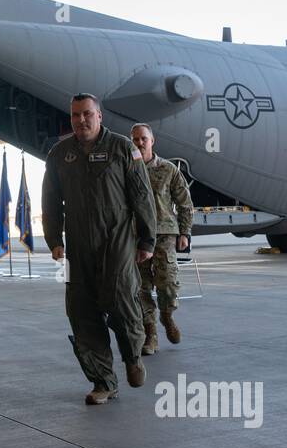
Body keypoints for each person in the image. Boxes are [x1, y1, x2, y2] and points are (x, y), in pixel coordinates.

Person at [42, 93, 157, 405]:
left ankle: (133, 356)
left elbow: (142, 196)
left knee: (122, 304)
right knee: (81, 314)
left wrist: (147, 240)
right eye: (76, 115)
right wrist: (54, 239)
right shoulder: (60, 153)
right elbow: (50, 201)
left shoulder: (122, 148)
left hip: (116, 242)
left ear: (99, 116)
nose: (81, 120)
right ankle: (104, 382)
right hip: (78, 247)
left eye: (87, 114)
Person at [130, 124, 194, 353]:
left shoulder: (168, 169)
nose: (139, 143)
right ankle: (151, 335)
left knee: (167, 284)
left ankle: (167, 317)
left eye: (143, 139)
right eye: (135, 139)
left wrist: (185, 233)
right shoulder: (127, 170)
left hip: (164, 234)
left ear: (152, 140)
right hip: (136, 237)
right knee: (141, 287)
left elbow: (185, 203)